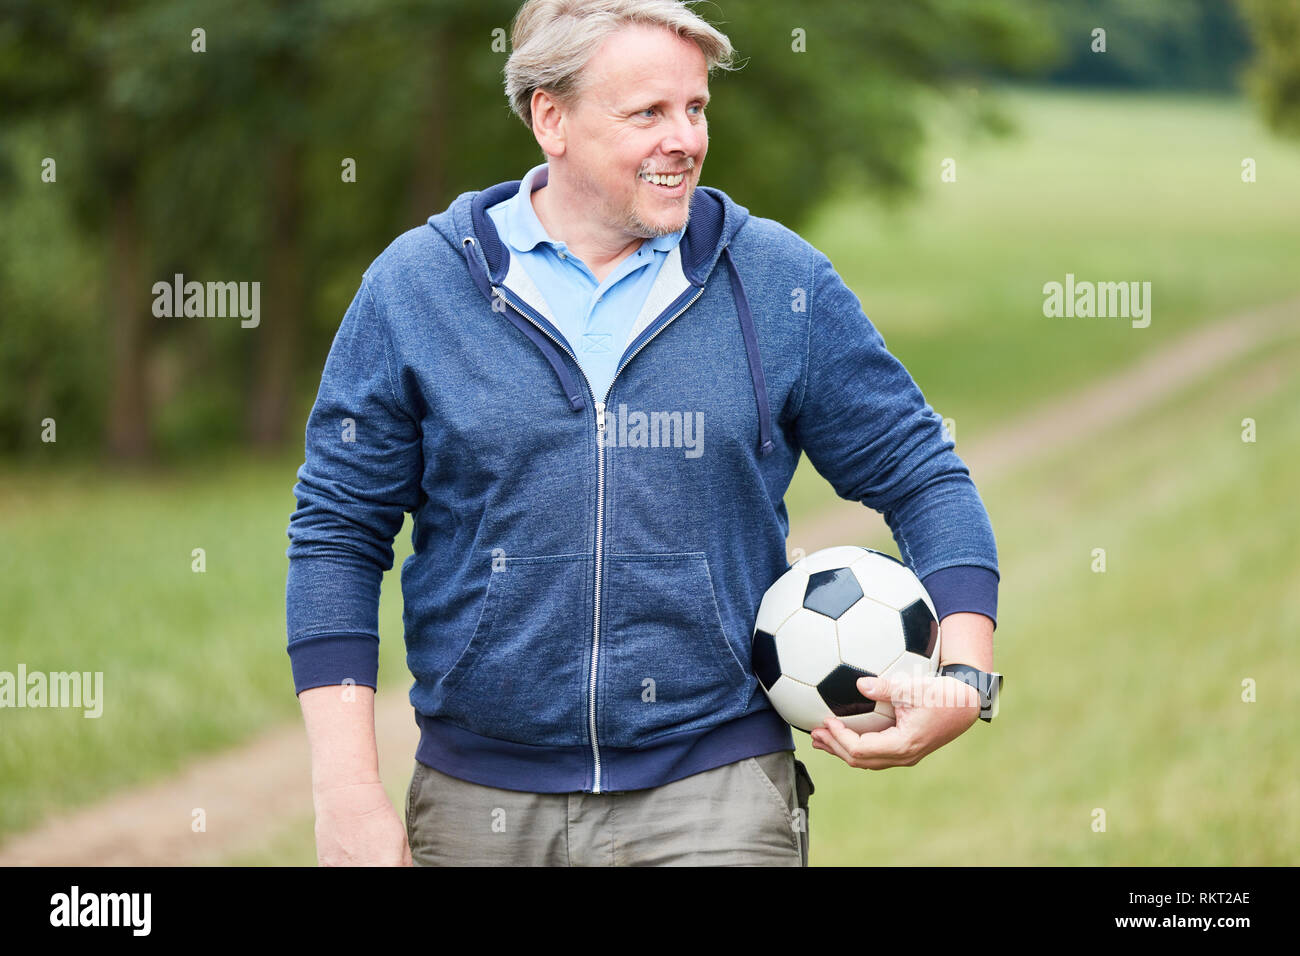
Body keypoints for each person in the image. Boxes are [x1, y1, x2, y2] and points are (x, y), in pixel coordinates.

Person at [286, 0, 1000, 867]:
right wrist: (347, 795)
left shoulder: (778, 282)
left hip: (717, 791)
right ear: (551, 117)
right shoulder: (417, 287)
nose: (686, 139)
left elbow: (921, 473)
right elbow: (337, 531)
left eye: (695, 108)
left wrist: (964, 675)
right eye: (648, 113)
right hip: (479, 801)